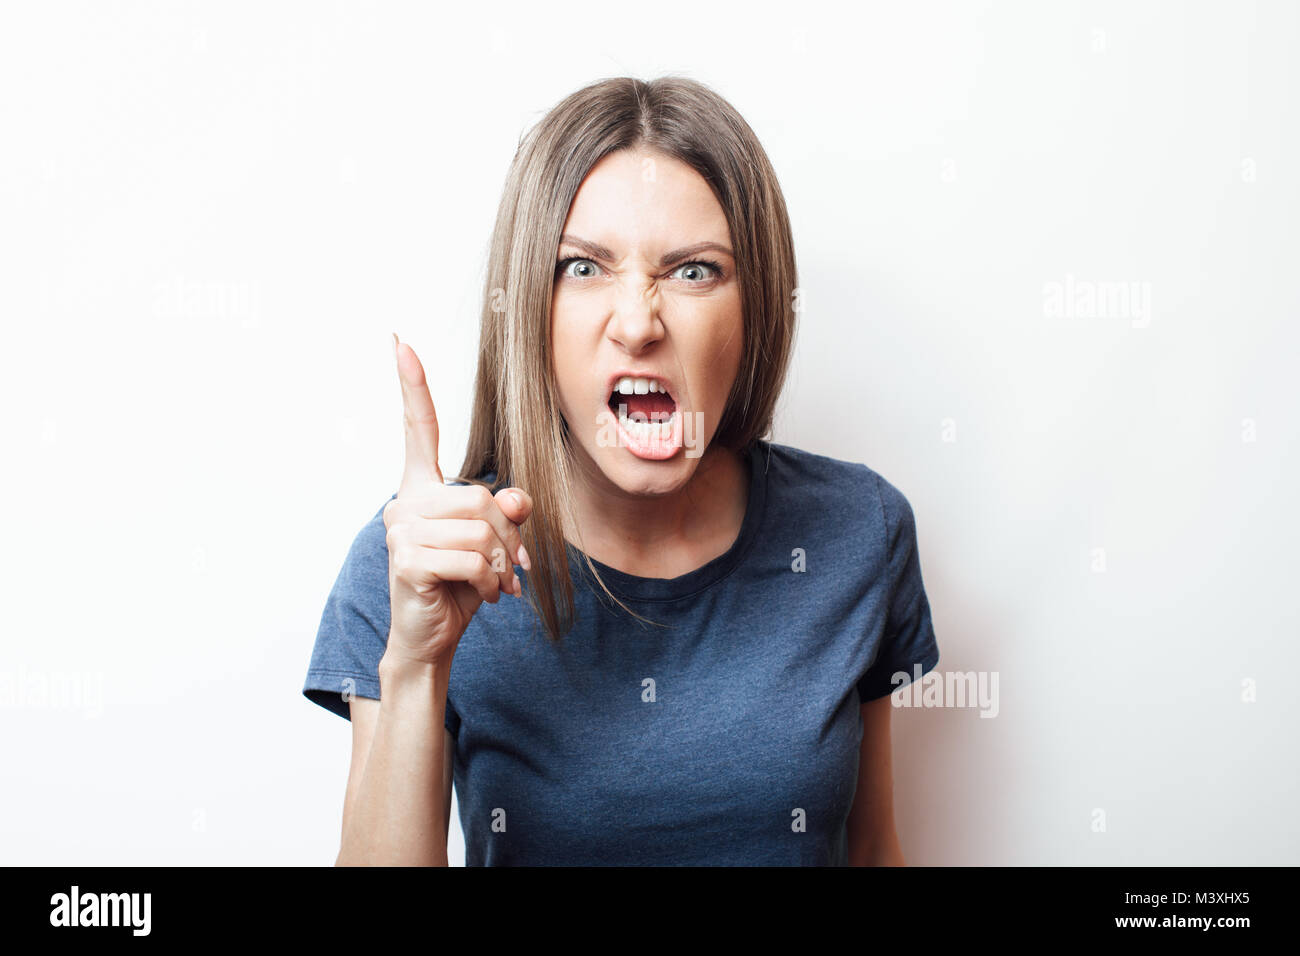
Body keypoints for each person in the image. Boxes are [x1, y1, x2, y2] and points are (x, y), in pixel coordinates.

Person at [303, 75, 939, 866]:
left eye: (695, 271)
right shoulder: (418, 561)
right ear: (528, 308)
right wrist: (414, 666)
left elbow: (875, 847)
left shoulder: (858, 531)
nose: (638, 322)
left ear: (756, 310)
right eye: (583, 267)